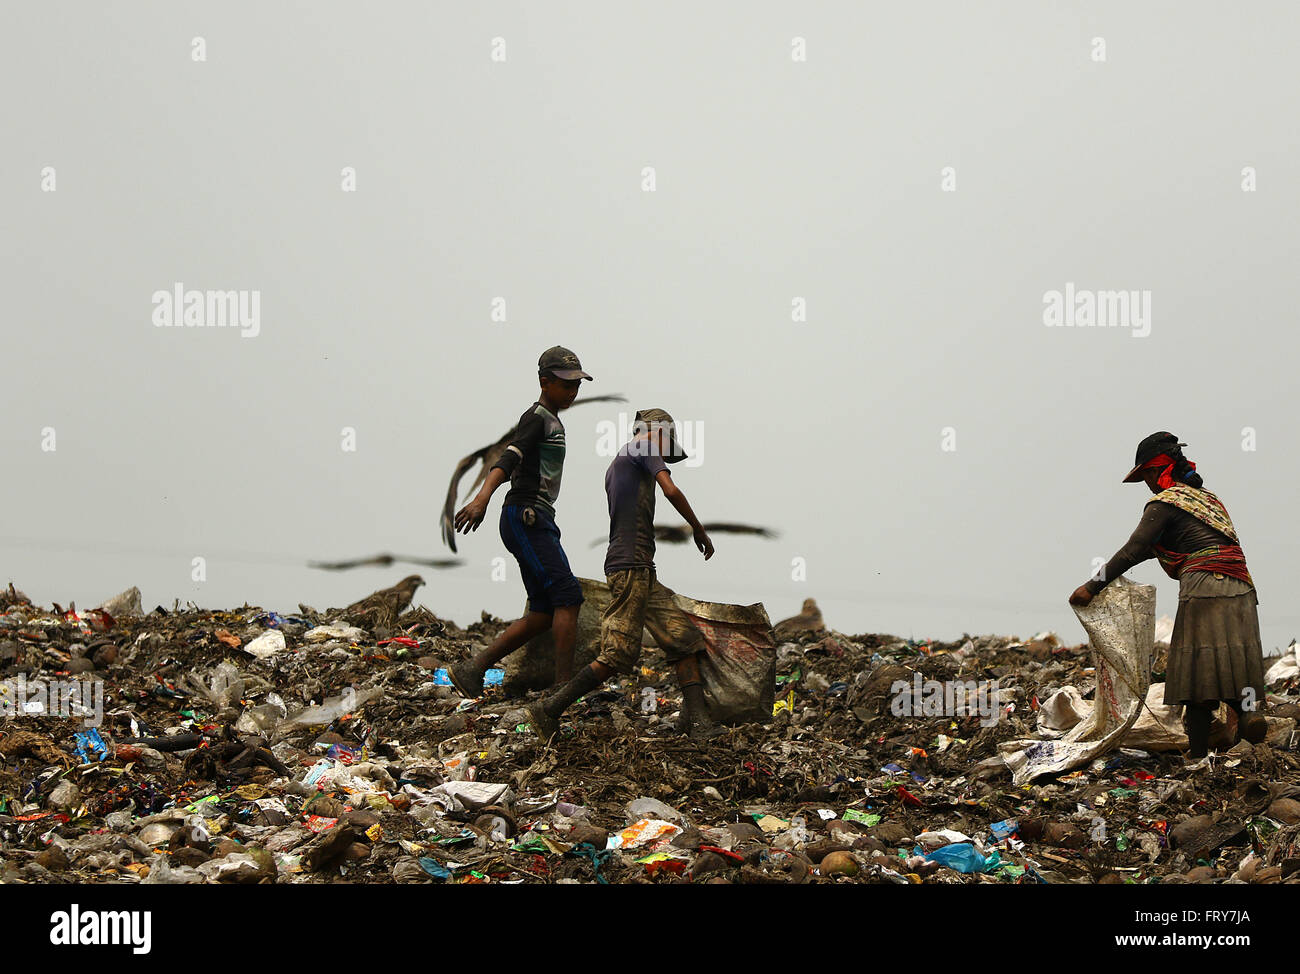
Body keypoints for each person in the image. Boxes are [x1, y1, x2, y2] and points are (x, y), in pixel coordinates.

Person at [1069, 432, 1267, 759]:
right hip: (1242, 586)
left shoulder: (1165, 503)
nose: (1146, 484)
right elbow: (1159, 548)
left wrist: (1092, 587)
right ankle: (1247, 714)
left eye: (1146, 474)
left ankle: (1199, 753)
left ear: (1159, 468)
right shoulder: (1208, 500)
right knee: (1235, 659)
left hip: (1205, 586)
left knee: (1196, 671)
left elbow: (1133, 550)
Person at [529, 409, 723, 741]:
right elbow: (671, 490)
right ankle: (549, 709)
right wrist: (699, 529)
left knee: (683, 638)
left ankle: (698, 724)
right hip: (629, 566)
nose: (664, 453)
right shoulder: (644, 447)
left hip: (641, 568)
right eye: (667, 444)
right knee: (618, 653)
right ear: (657, 433)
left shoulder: (622, 460)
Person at [448, 346, 592, 696]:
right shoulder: (537, 417)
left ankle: (472, 669)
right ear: (545, 382)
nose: (573, 391)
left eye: (577, 384)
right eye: (565, 384)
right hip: (526, 515)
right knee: (568, 596)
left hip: (536, 517)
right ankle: (562, 688)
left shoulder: (553, 420)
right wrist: (481, 499)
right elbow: (507, 459)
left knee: (544, 611)